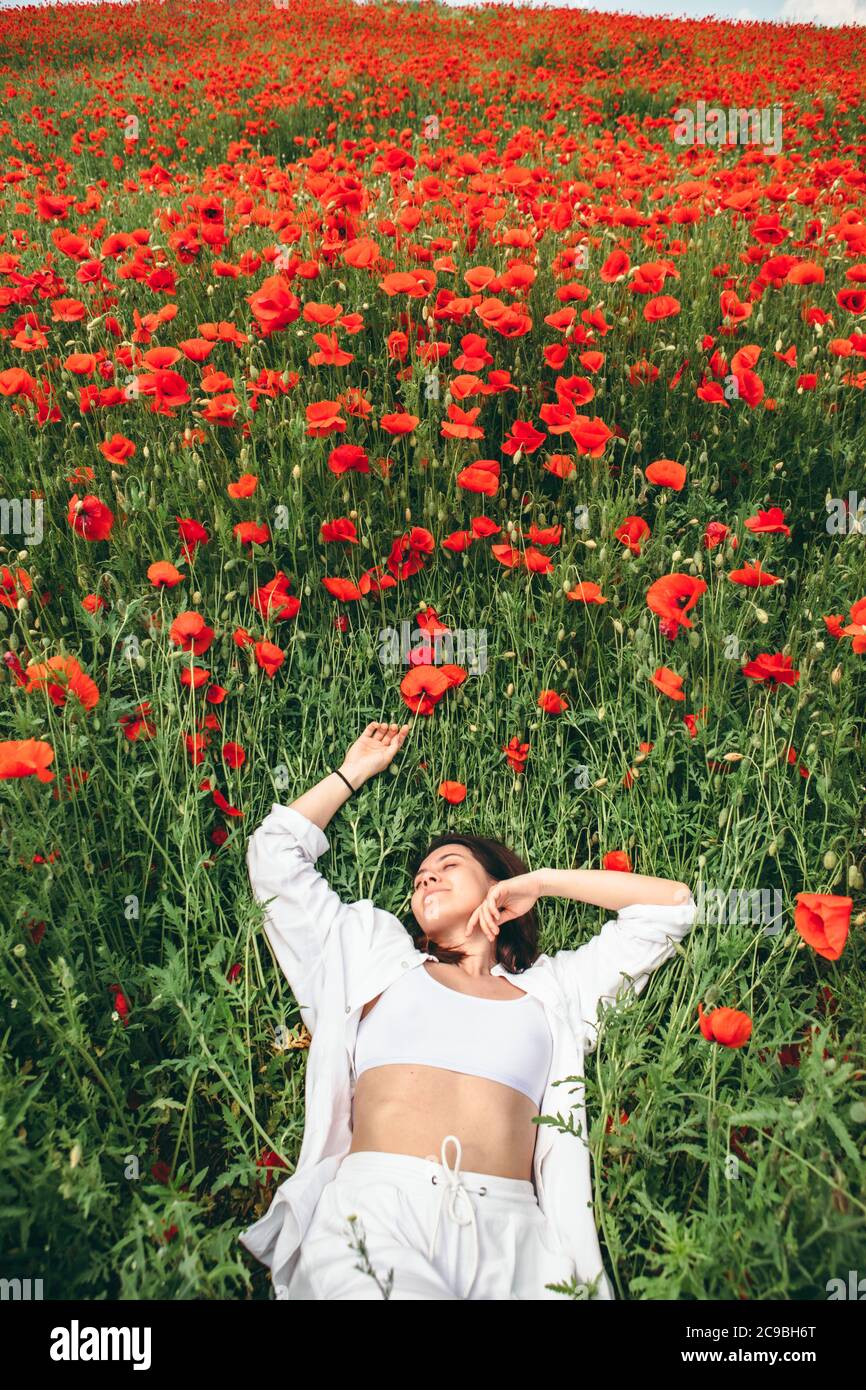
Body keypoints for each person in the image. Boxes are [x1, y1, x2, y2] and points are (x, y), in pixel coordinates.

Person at [238, 722, 696, 1300]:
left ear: (497, 885)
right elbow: (274, 857)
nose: (427, 875)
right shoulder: (375, 957)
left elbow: (672, 907)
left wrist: (545, 882)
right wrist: (352, 772)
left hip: (518, 1241)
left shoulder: (555, 992)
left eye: (449, 864)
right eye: (420, 875)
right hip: (377, 1216)